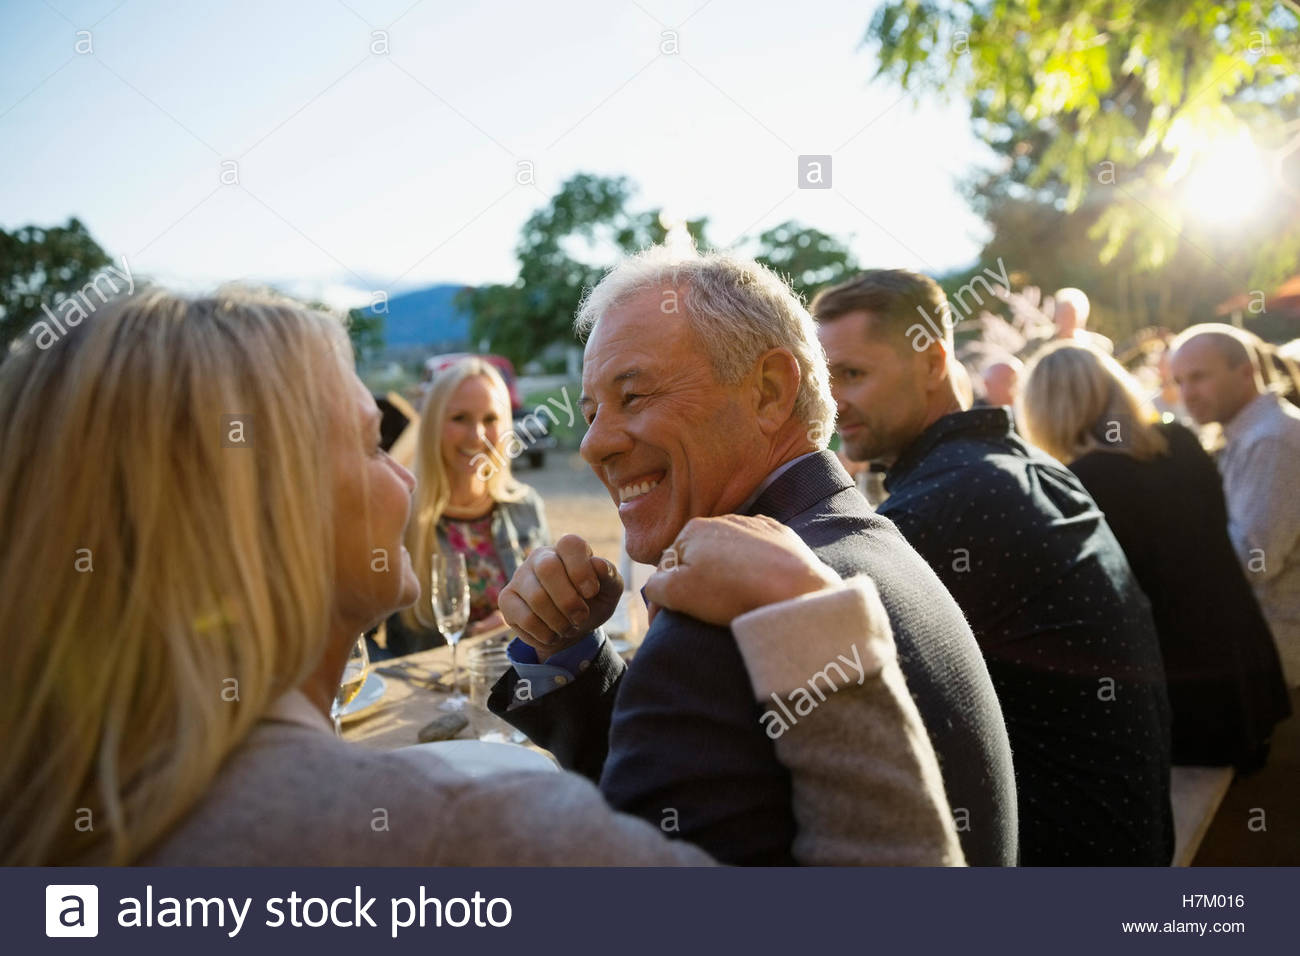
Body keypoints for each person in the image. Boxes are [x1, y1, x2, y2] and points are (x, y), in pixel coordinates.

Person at [0, 286, 962, 867]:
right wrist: (823, 637)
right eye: (372, 443)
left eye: (632, 396)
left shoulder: (58, 800)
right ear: (265, 515)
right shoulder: (471, 832)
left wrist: (570, 660)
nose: (589, 442)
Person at [488, 246, 1016, 867]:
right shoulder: (869, 543)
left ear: (769, 391)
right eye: (592, 411)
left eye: (633, 397)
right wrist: (570, 655)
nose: (593, 444)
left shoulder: (730, 623)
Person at [812, 269, 1173, 866]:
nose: (832, 401)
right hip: (1133, 842)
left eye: (852, 374)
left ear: (932, 363)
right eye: (824, 380)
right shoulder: (1017, 464)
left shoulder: (942, 503)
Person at [1019, 342, 1290, 769]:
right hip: (1246, 669)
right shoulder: (1179, 442)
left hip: (1183, 696)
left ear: (1044, 410)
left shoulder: (1082, 483)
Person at [385, 357, 550, 655]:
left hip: (520, 691)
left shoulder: (526, 506)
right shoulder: (397, 516)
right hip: (427, 698)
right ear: (433, 425)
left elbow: (552, 610)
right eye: (460, 418)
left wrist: (525, 622)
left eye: (490, 419)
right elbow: (358, 643)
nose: (477, 435)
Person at [1170, 324, 1300, 689]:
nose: (1186, 394)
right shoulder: (1252, 435)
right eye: (1178, 381)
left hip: (1282, 665)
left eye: (1198, 377)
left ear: (1246, 373)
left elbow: (1253, 559)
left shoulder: (1272, 440)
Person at [1049, 287, 1114, 354]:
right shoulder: (1041, 343)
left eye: (1071, 315)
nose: (1067, 320)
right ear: (1055, 315)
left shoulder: (1099, 345)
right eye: (1063, 314)